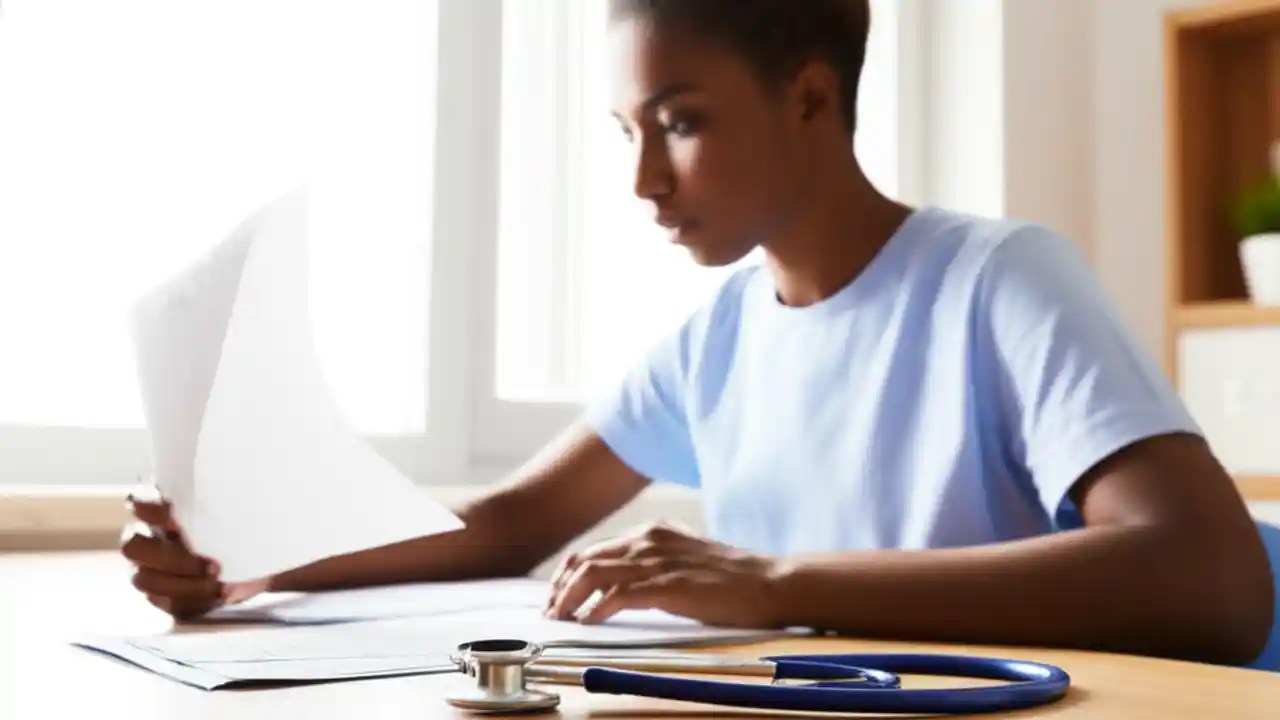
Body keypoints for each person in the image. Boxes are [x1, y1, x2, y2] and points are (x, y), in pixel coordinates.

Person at [122, 0, 1277, 668]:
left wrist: (768, 580)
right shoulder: (717, 334)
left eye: (678, 124)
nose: (638, 179)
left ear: (811, 99)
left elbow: (1215, 582)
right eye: (626, 129)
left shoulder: (997, 281)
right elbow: (510, 522)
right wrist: (249, 566)